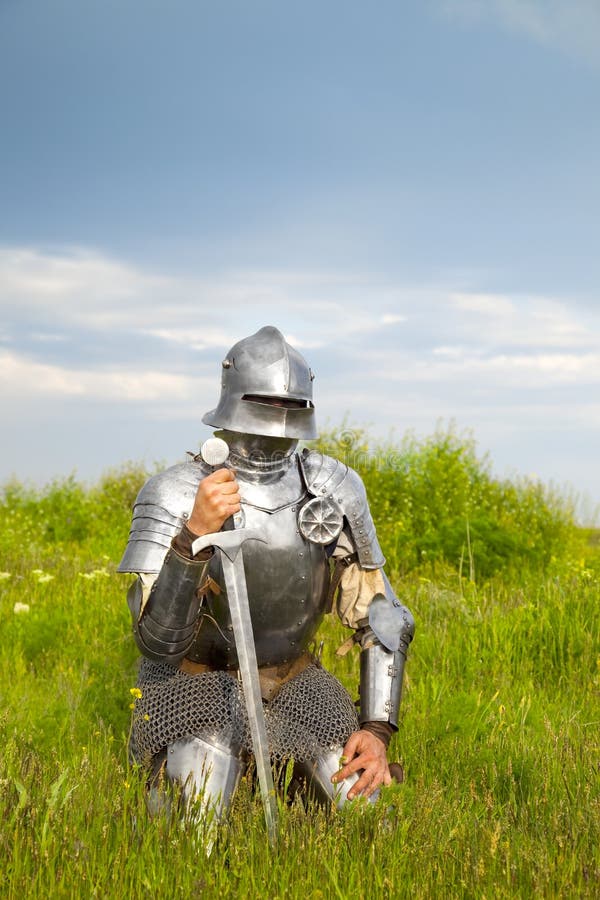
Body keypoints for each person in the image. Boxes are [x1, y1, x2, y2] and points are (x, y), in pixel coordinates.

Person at [118, 325, 414, 826]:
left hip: (294, 679)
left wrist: (377, 730)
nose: (277, 419)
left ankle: (285, 770)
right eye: (264, 402)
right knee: (195, 825)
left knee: (363, 817)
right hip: (196, 680)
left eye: (291, 406)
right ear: (234, 399)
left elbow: (383, 617)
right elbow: (157, 643)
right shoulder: (176, 491)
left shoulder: (333, 488)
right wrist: (193, 536)